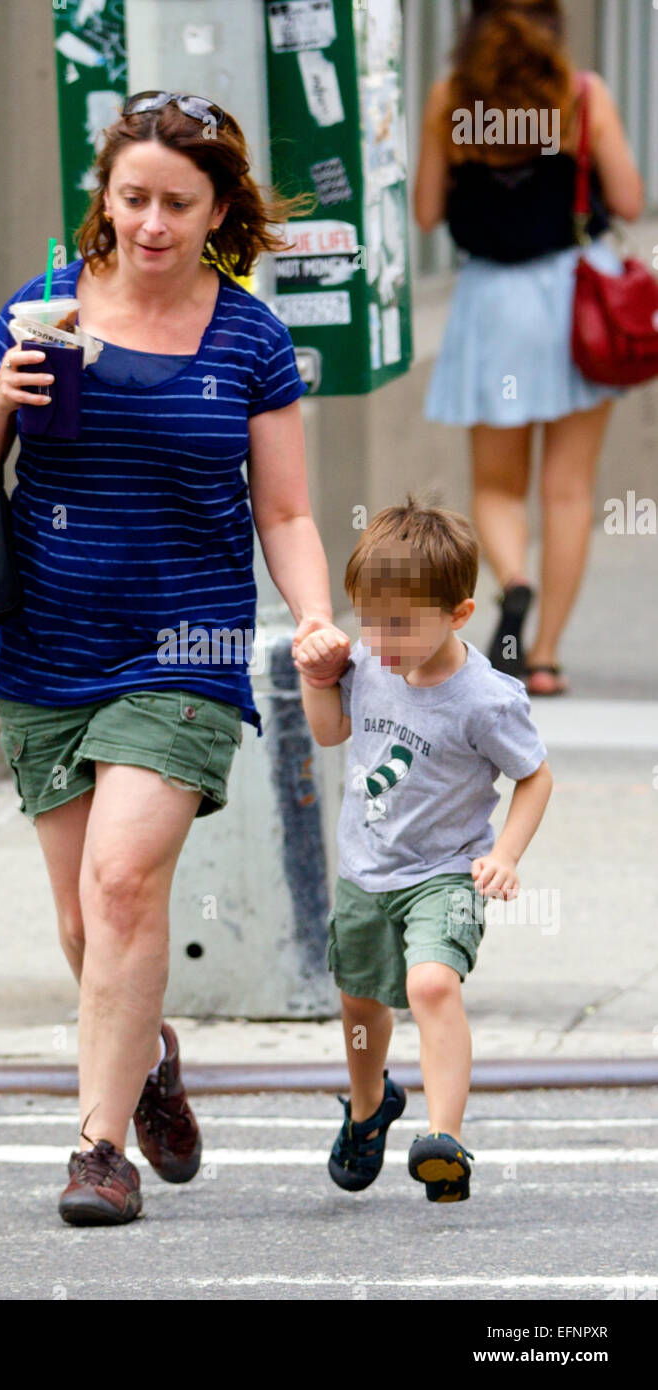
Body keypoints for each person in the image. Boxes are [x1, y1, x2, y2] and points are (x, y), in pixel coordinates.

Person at [0, 91, 345, 1226]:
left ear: (219, 209)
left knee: (122, 884)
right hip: (49, 642)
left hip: (187, 643)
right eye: (132, 200)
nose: (152, 223)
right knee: (84, 923)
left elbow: (289, 511)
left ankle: (97, 1150)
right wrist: (0, 397)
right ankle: (151, 1057)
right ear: (103, 202)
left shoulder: (249, 337)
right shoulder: (47, 306)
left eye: (178, 202)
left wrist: (314, 616)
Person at [296, 497, 552, 1202]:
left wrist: (505, 855)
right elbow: (328, 732)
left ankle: (444, 1139)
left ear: (460, 615)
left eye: (400, 624)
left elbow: (535, 776)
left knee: (431, 985)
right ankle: (368, 1103)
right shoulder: (372, 660)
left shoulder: (485, 701)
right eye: (368, 618)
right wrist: (318, 678)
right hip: (366, 870)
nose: (380, 638)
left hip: (446, 874)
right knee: (361, 1004)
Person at [413, 0, 644, 695]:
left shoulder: (449, 98)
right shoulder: (582, 93)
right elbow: (630, 200)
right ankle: (543, 658)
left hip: (493, 305)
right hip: (578, 301)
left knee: (496, 486)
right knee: (569, 490)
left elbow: (426, 211)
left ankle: (515, 581)